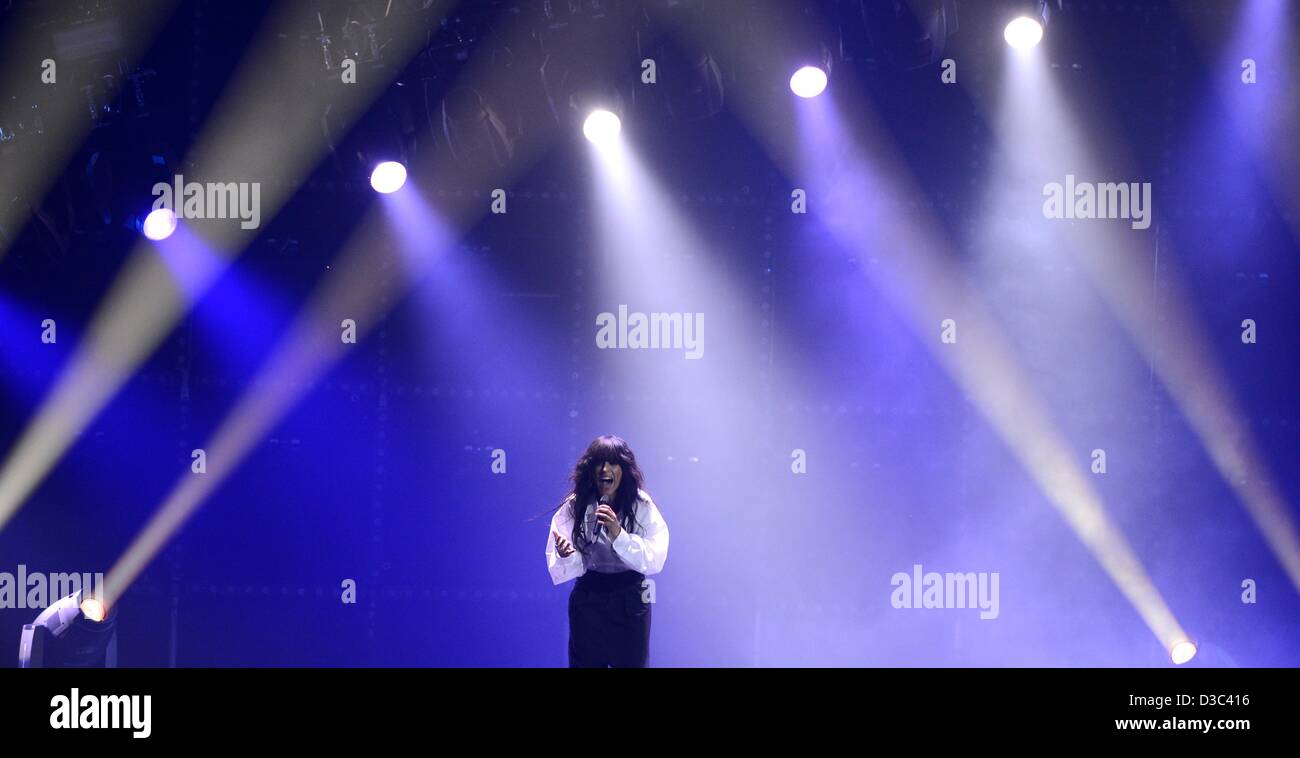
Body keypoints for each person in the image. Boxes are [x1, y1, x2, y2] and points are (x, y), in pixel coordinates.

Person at [546, 435, 669, 667]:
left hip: (631, 598)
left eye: (612, 462)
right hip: (589, 598)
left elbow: (654, 558)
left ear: (623, 469)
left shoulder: (641, 505)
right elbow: (567, 560)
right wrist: (566, 554)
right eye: (599, 463)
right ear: (590, 470)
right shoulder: (576, 505)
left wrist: (618, 533)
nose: (605, 469)